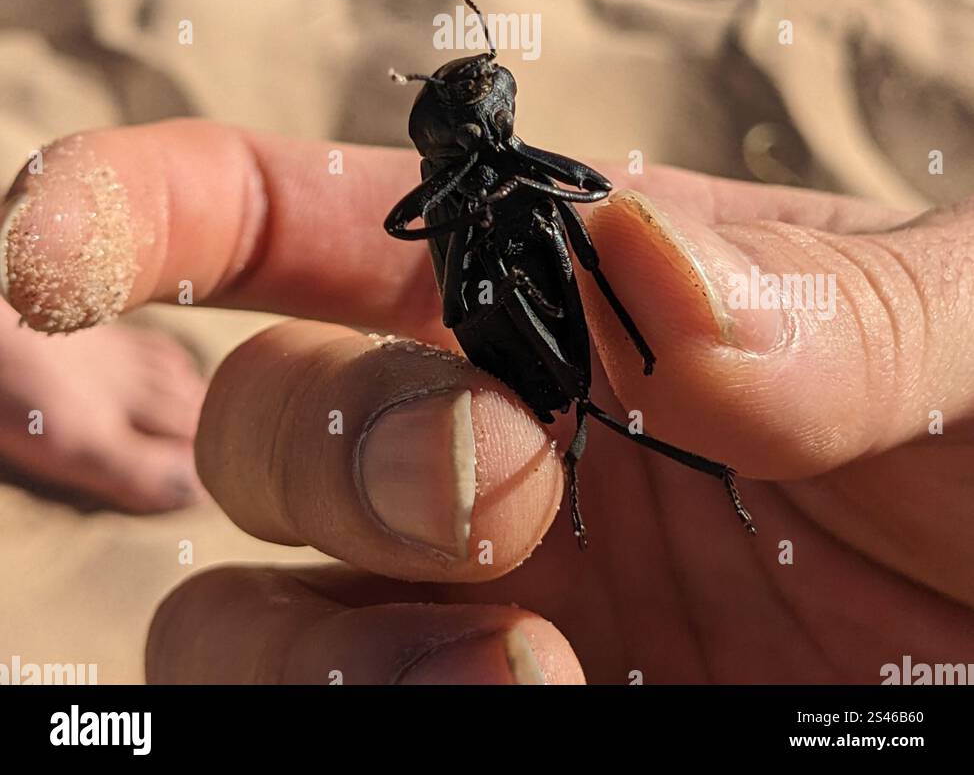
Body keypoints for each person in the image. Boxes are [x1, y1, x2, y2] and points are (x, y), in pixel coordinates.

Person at [2, 119, 972, 684]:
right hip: (524, 345)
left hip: (537, 349)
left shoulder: (510, 192)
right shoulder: (487, 199)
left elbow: (580, 209)